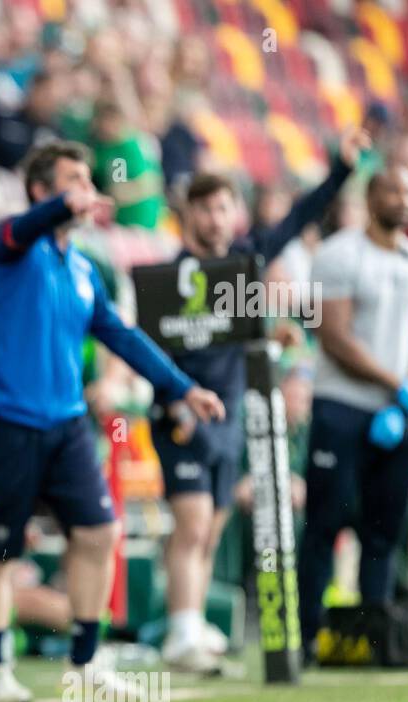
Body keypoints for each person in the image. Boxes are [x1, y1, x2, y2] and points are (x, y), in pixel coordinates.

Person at [0, 141, 223, 702]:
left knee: (102, 532)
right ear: (41, 190)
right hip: (5, 422)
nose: (86, 188)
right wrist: (64, 206)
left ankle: (83, 664)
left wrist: (183, 387)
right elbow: (23, 227)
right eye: (71, 180)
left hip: (67, 425)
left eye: (88, 179)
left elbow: (123, 337)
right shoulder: (12, 245)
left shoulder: (82, 268)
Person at [151, 127, 369, 672]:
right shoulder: (168, 277)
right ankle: (180, 630)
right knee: (194, 522)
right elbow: (155, 350)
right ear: (188, 217)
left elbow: (299, 219)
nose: (214, 218)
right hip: (182, 413)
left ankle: (192, 628)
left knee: (211, 529)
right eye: (203, 209)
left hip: (228, 417)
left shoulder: (245, 262)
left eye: (222, 207)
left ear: (234, 213)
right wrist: (175, 403)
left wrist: (341, 170)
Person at [299, 167, 408, 663]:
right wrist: (393, 384)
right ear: (371, 197)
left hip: (396, 414)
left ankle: (373, 637)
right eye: (392, 190)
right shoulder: (340, 254)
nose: (402, 199)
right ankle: (308, 634)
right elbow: (335, 336)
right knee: (326, 521)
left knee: (385, 528)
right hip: (342, 407)